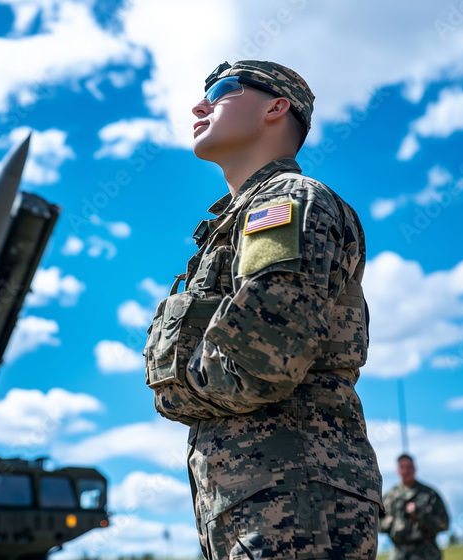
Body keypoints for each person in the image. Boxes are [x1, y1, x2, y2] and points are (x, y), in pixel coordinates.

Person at [142, 60, 383, 559]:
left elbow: (260, 362)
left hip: (295, 502)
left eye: (223, 91)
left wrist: (173, 394)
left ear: (277, 107)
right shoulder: (239, 218)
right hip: (258, 503)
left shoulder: (287, 203)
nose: (199, 105)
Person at [379, 454, 450, 559]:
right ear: (397, 470)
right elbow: (377, 525)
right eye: (402, 467)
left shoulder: (429, 494)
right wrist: (391, 522)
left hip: (426, 553)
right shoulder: (389, 496)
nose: (406, 471)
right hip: (399, 553)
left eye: (409, 467)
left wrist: (419, 515)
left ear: (415, 469)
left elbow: (444, 524)